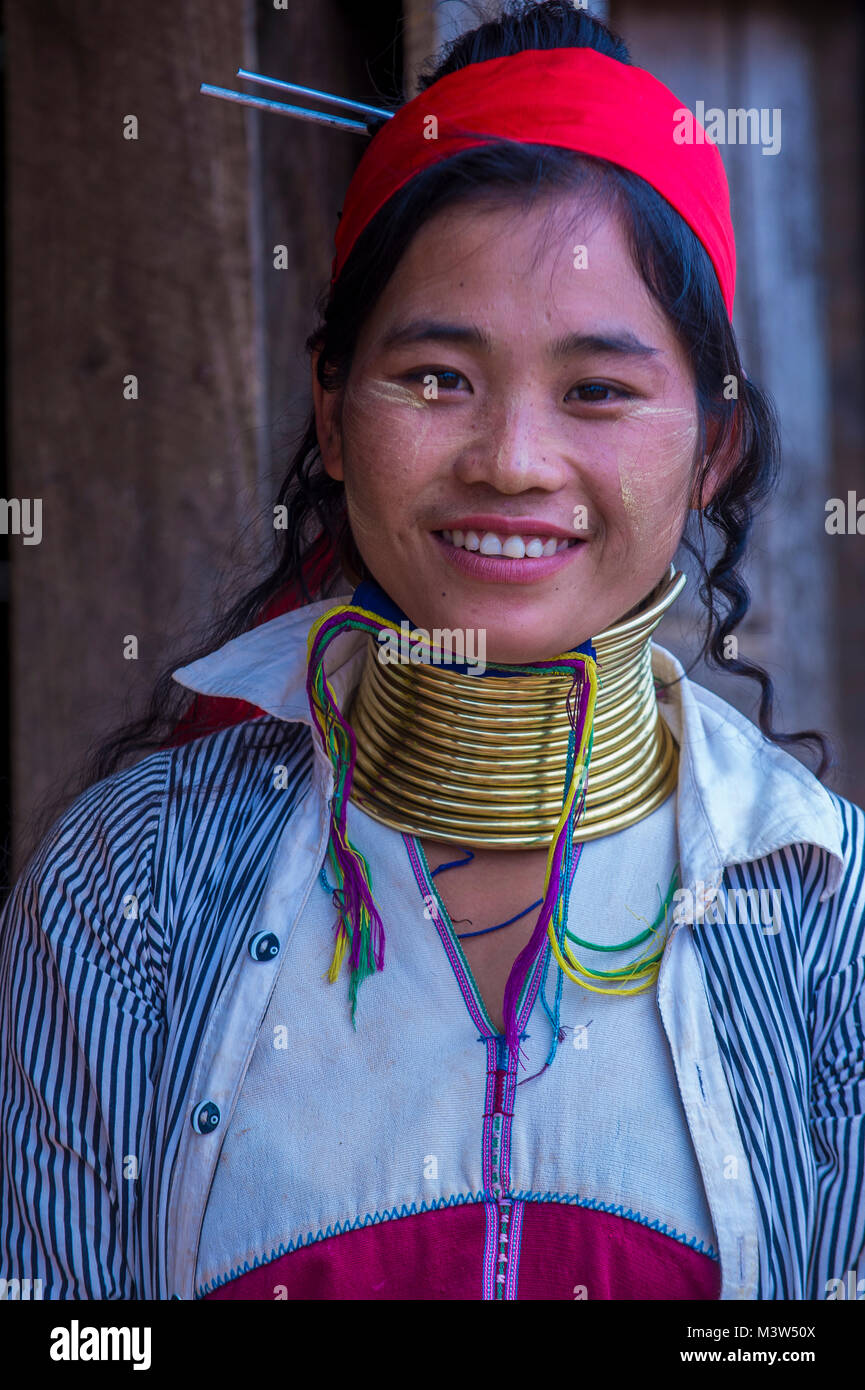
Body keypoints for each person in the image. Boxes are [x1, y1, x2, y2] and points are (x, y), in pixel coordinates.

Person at [1, 1, 863, 1302]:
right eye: (436, 377)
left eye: (598, 389)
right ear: (334, 415)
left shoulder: (821, 919)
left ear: (712, 450)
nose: (511, 460)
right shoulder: (128, 894)